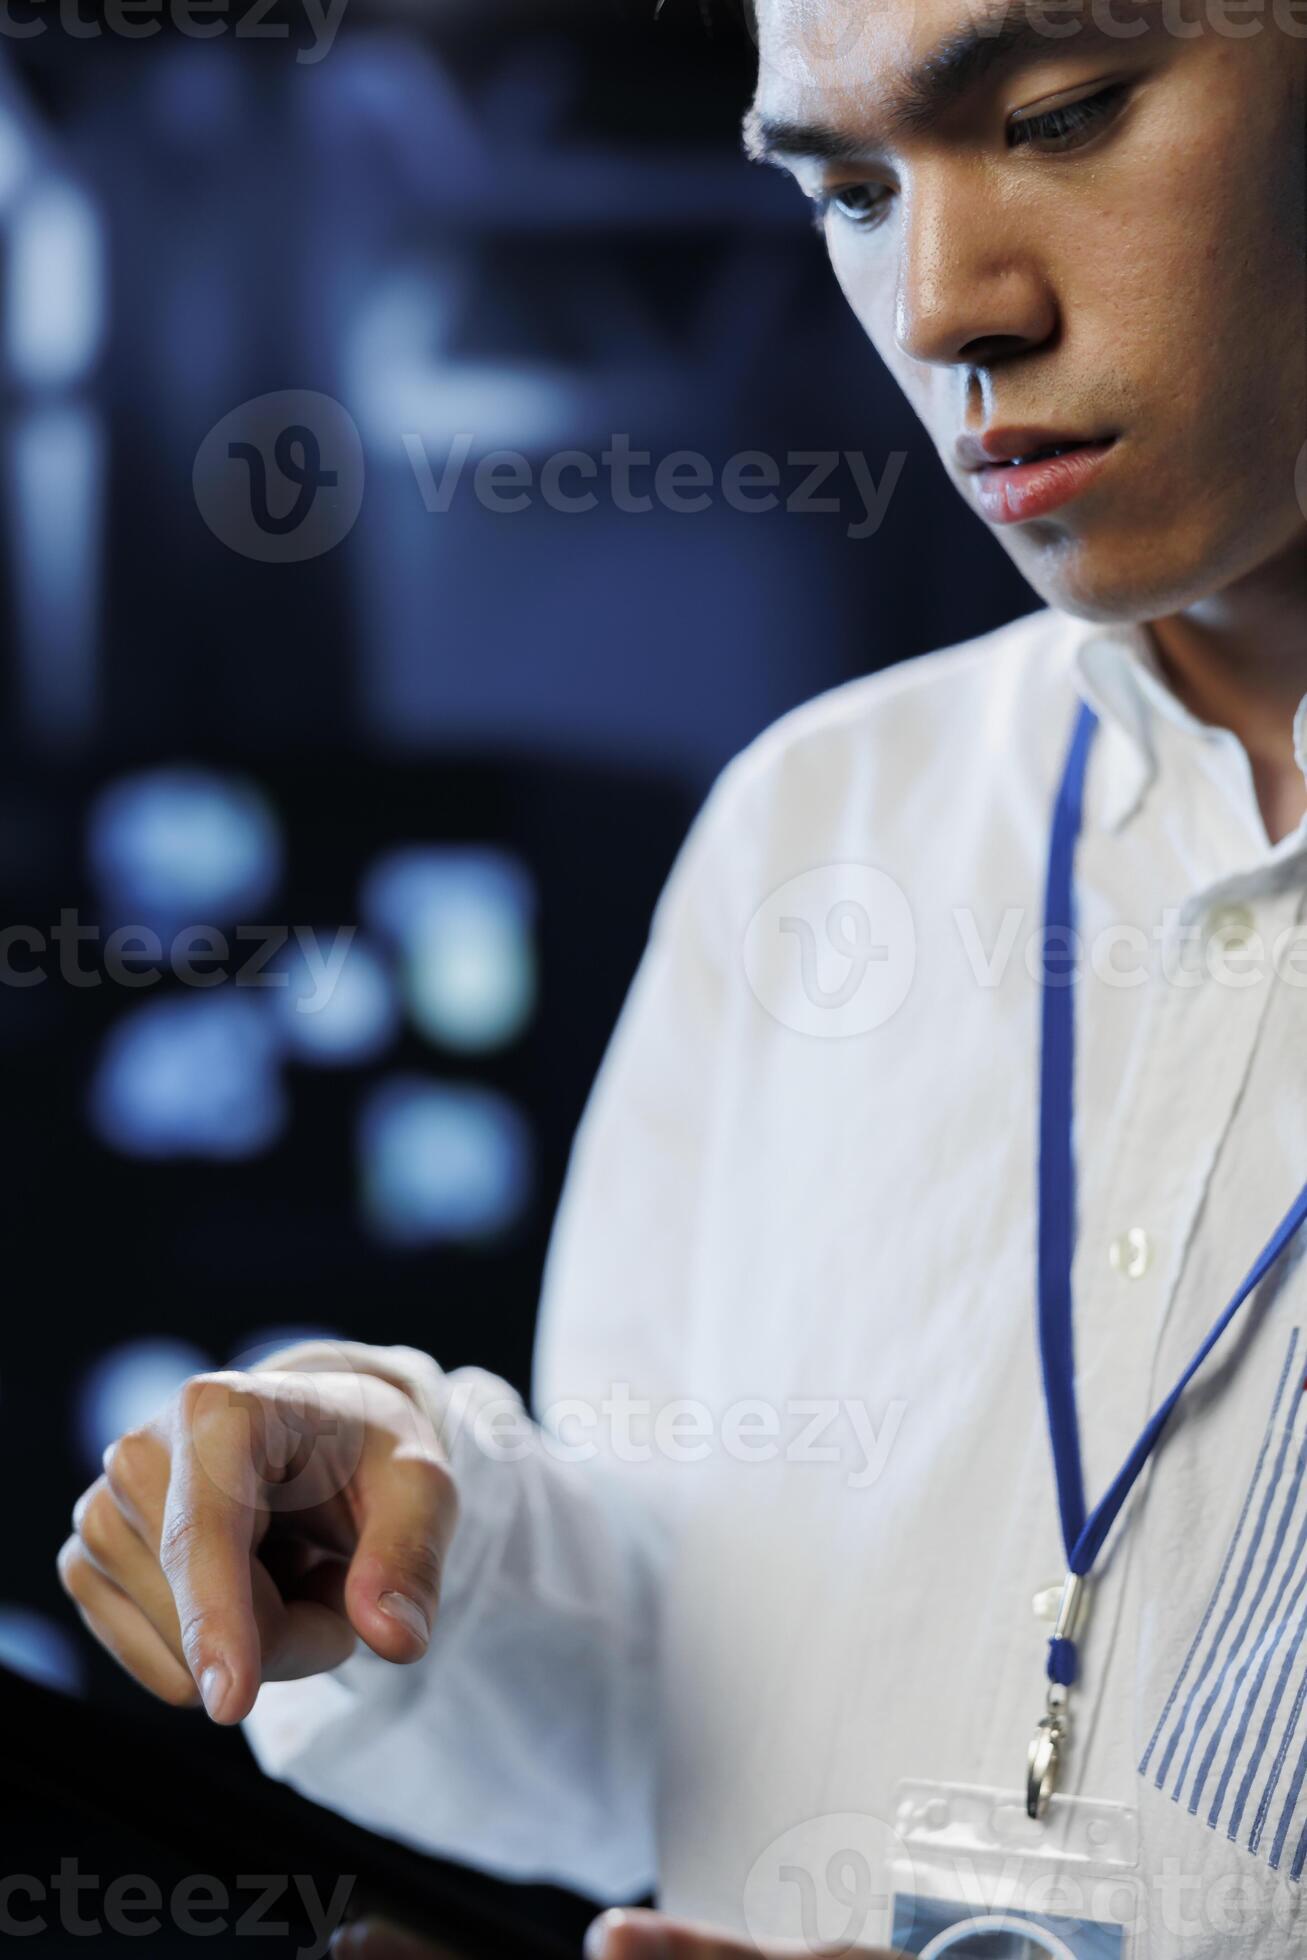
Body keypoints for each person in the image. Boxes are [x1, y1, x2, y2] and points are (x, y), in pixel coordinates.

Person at [58, 0, 1306, 1953]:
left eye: (1060, 117)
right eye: (850, 190)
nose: (942, 306)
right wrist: (411, 1547)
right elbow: (681, 1701)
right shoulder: (814, 836)